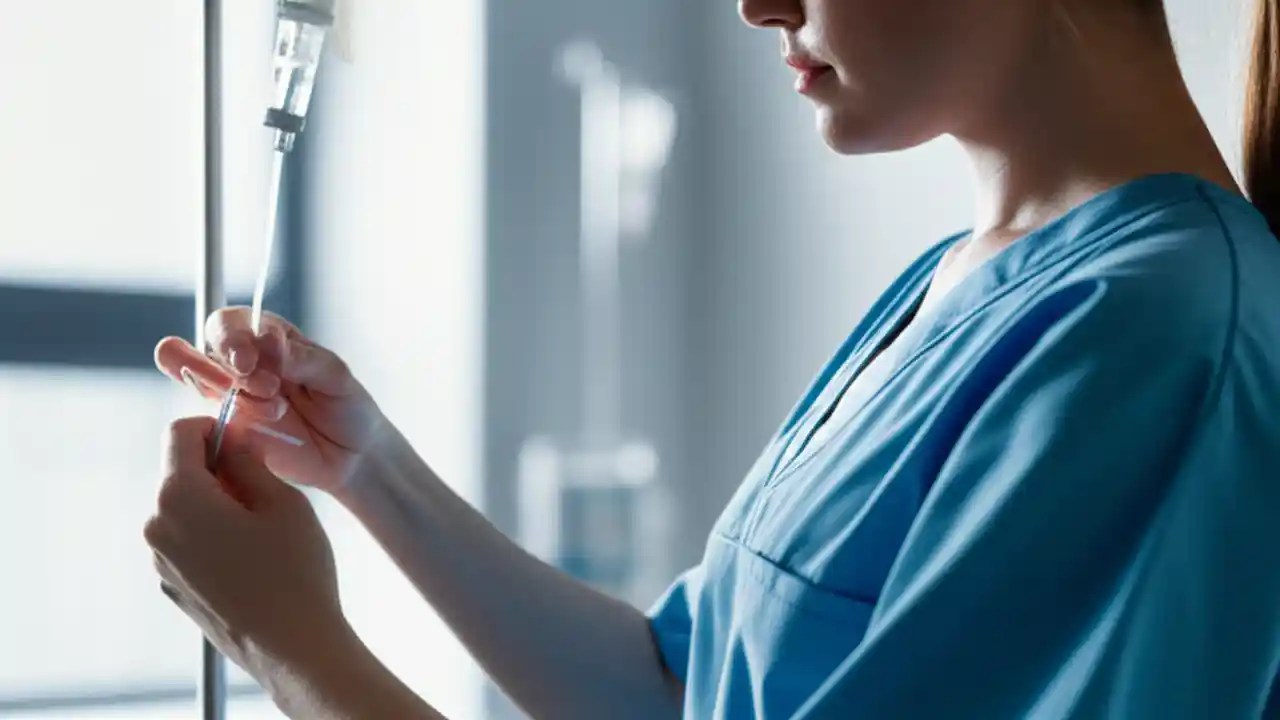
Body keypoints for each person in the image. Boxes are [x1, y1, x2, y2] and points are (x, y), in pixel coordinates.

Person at [146, 0, 1280, 717]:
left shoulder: (1158, 338)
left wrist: (291, 650)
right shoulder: (964, 280)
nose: (755, 6)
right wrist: (367, 469)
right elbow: (673, 688)